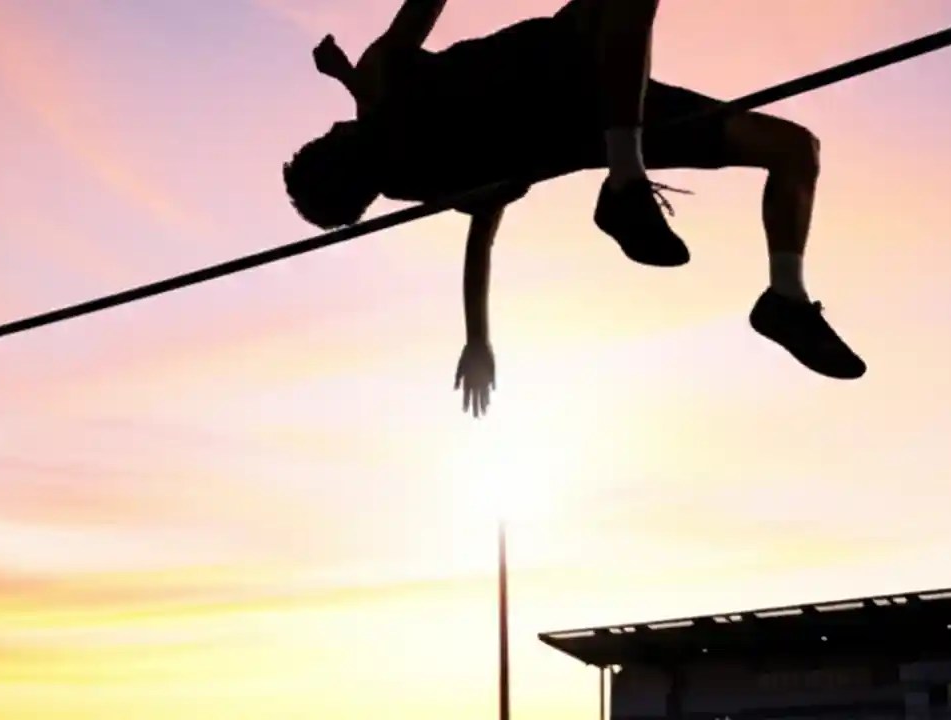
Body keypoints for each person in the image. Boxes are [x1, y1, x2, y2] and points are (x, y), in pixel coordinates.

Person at [283, 0, 866, 418]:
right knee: (794, 151)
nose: (334, 124)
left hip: (609, 114)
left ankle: (783, 299)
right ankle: (628, 186)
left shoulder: (424, 178)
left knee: (794, 150)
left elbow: (476, 235)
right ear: (336, 146)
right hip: (581, 69)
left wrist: (478, 339)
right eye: (330, 134)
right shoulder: (387, 90)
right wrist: (349, 77)